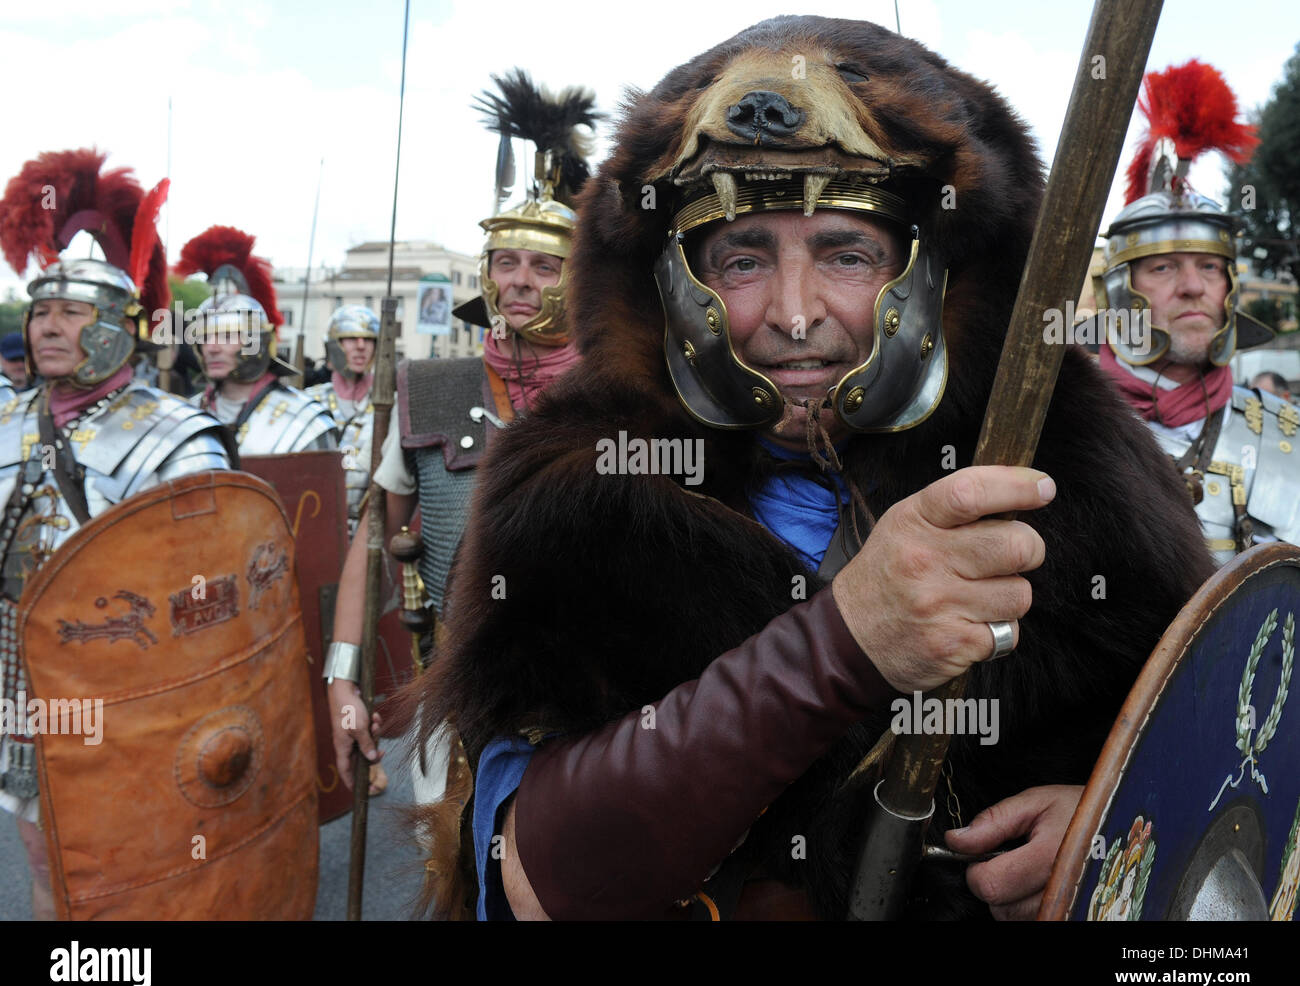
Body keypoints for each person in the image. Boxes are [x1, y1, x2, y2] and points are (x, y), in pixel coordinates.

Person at [415, 16, 1215, 921]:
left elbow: (1231, 770)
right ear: (676, 288)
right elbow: (537, 877)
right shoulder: (575, 494)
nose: (795, 314)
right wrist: (845, 642)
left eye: (847, 253)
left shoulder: (1078, 467)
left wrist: (1112, 820)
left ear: (933, 273)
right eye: (744, 258)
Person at [325, 69, 597, 839]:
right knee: (450, 868)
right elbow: (374, 539)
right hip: (457, 689)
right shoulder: (434, 389)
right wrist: (342, 673)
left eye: (545, 265)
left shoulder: (615, 397)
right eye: (508, 261)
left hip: (589, 700)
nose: (521, 280)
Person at [0, 149, 234, 919]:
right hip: (23, 689)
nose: (49, 326)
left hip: (133, 696)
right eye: (41, 310)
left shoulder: (178, 436)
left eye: (72, 312)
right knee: (46, 856)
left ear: (119, 327)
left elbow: (210, 601)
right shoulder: (4, 420)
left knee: (129, 873)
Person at [1094, 61, 1298, 567]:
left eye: (1210, 266)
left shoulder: (1288, 436)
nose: (1192, 287)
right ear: (1120, 291)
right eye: (1163, 267)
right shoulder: (1060, 426)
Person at [177, 226, 336, 454]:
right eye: (204, 337)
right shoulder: (185, 416)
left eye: (227, 336)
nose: (211, 348)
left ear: (258, 342)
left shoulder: (305, 423)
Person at [306, 305, 380, 535]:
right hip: (317, 523)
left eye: (368, 340)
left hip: (371, 529)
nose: (360, 346)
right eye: (350, 338)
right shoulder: (308, 402)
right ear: (333, 344)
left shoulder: (392, 404)